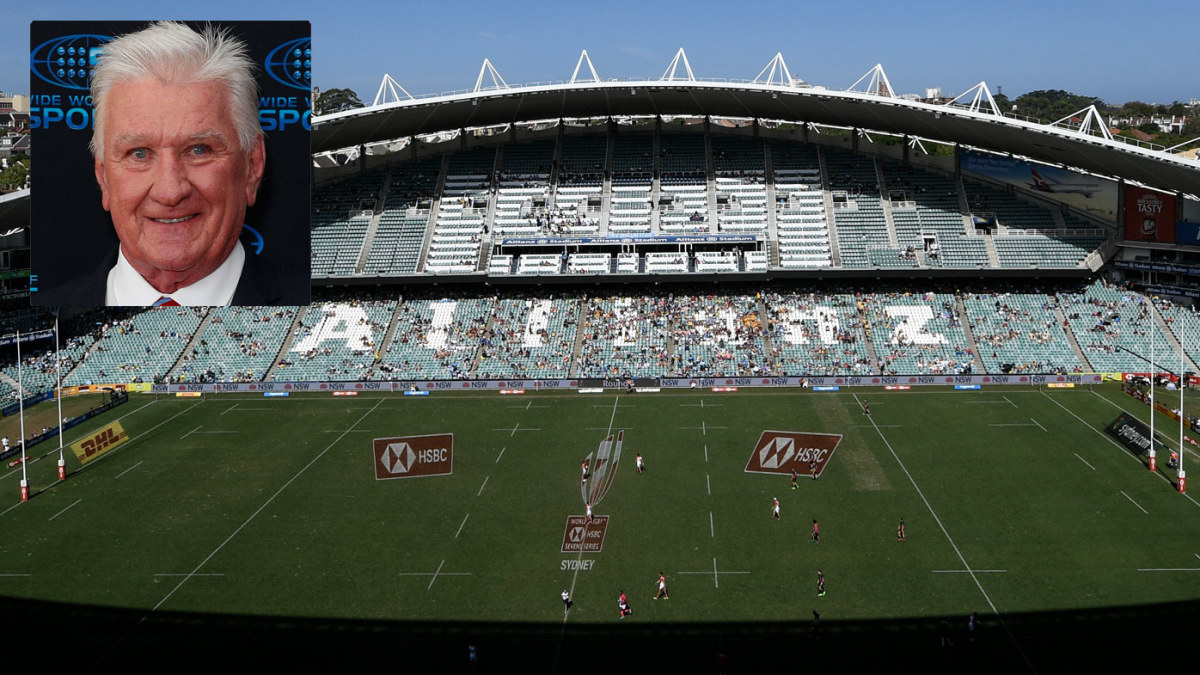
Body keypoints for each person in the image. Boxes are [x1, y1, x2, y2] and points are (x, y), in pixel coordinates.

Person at [37, 21, 301, 306]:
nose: (170, 191)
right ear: (103, 176)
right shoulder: (53, 312)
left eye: (199, 150)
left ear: (252, 165)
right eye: (139, 153)